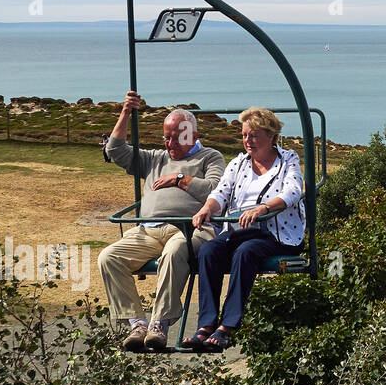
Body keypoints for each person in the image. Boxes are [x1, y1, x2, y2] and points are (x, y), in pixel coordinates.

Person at [98, 92, 225, 352]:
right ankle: (137, 323)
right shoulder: (155, 158)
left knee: (175, 251)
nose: (169, 144)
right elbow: (115, 150)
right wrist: (125, 113)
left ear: (194, 136)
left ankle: (159, 324)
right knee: (109, 257)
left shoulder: (210, 158)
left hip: (189, 229)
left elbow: (215, 190)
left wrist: (180, 178)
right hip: (148, 230)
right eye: (166, 137)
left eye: (176, 138)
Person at [182, 108, 305, 352]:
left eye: (254, 135)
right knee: (208, 250)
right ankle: (206, 324)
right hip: (241, 230)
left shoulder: (288, 160)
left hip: (276, 233)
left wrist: (262, 208)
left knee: (246, 253)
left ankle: (227, 326)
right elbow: (221, 192)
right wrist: (208, 208)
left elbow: (292, 191)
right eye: (245, 135)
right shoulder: (238, 163)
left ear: (271, 136)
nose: (248, 141)